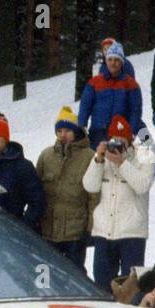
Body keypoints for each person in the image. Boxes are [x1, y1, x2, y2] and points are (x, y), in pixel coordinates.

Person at [82, 114, 153, 287]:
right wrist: (98, 159)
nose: (118, 145)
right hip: (104, 232)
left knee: (131, 287)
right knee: (103, 285)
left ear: (131, 140)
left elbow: (142, 185)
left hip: (132, 232)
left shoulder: (144, 157)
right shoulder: (103, 159)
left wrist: (122, 163)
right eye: (114, 141)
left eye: (122, 141)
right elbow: (89, 186)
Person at [34, 107, 96, 267]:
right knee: (46, 277)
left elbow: (94, 198)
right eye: (59, 130)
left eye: (68, 130)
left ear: (76, 131)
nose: (63, 134)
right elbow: (35, 190)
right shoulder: (46, 155)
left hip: (75, 232)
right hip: (48, 229)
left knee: (74, 275)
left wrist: (91, 229)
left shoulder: (89, 156)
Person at [77, 41, 145, 146]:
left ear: (122, 62)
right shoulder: (95, 82)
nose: (113, 63)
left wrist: (131, 132)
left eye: (116, 60)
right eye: (110, 59)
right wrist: (82, 125)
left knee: (117, 160)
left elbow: (135, 111)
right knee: (97, 160)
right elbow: (85, 105)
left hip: (120, 132)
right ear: (106, 61)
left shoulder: (130, 84)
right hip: (97, 131)